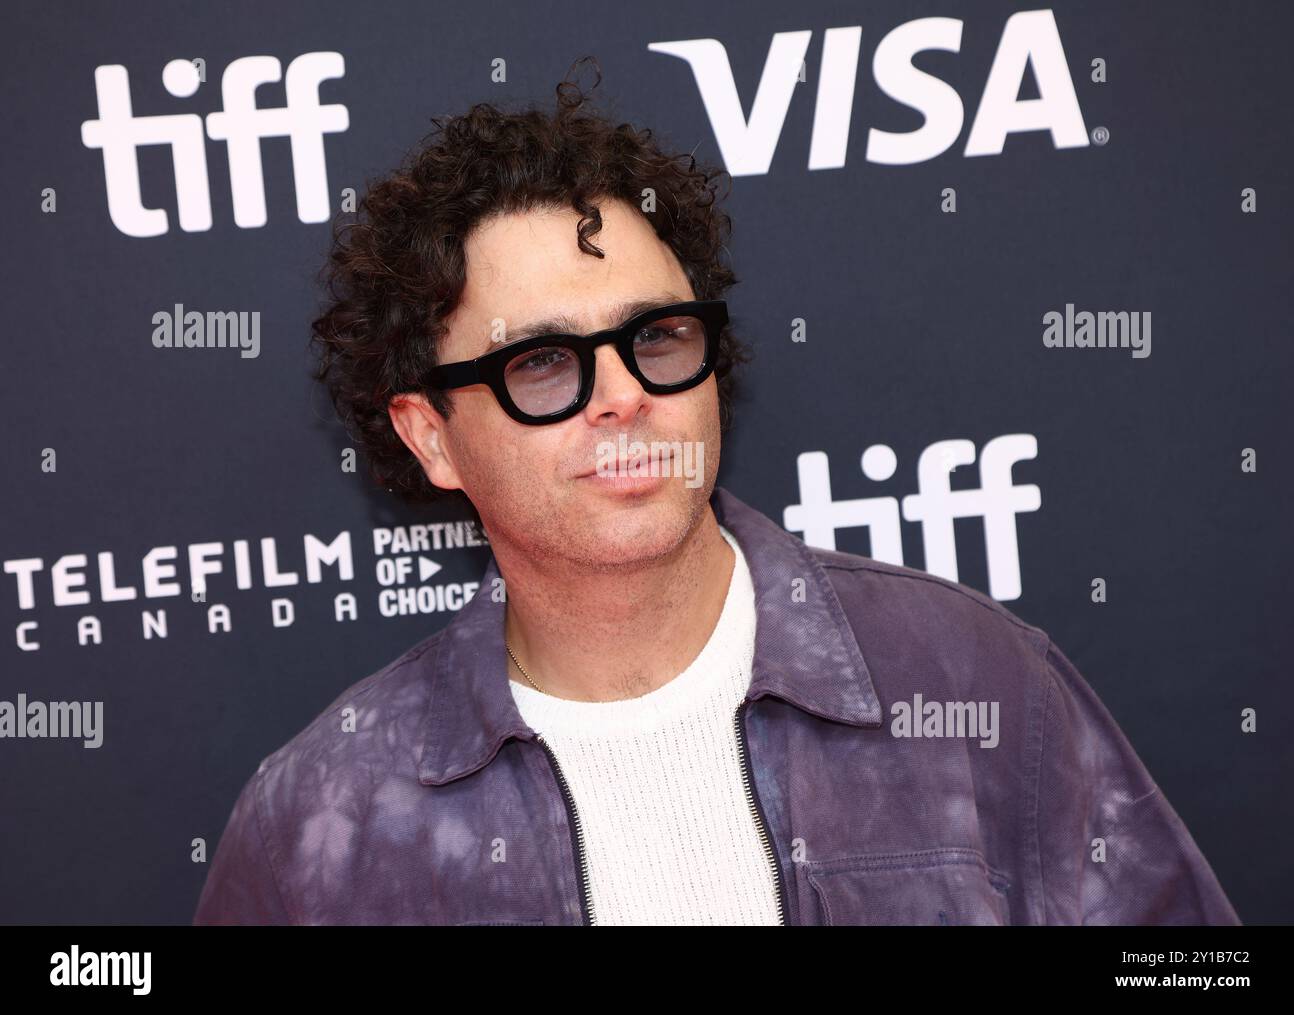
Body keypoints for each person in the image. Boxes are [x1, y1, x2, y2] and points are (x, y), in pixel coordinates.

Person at [193, 60, 1239, 926]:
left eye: (654, 338)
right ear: (431, 437)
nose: (623, 398)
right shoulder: (318, 826)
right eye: (545, 365)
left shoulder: (971, 677)